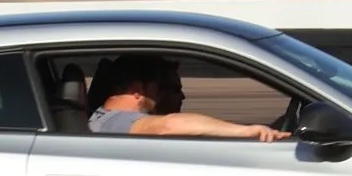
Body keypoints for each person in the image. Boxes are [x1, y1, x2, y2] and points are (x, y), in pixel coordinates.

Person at [87, 53, 289, 142]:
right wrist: (246, 131)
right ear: (137, 89)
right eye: (169, 88)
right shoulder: (115, 121)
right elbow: (167, 126)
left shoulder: (106, 119)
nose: (181, 96)